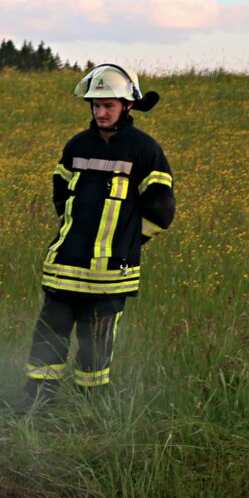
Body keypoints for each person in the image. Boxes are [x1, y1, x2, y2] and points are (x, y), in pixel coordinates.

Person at [23, 64, 175, 410]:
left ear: (128, 106)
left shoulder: (144, 150)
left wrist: (127, 243)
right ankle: (37, 404)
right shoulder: (77, 145)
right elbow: (61, 192)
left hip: (110, 273)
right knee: (48, 336)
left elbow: (161, 212)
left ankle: (89, 408)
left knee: (96, 344)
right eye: (96, 105)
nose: (101, 112)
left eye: (108, 105)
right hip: (64, 266)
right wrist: (73, 230)